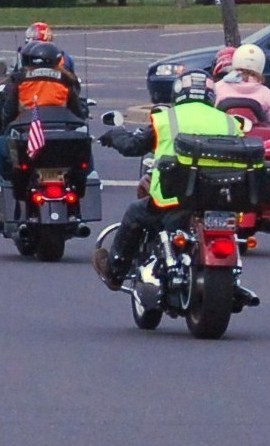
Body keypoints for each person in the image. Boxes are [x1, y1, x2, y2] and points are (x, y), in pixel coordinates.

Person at [93, 72, 253, 293]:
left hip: (175, 199)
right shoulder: (229, 122)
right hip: (222, 200)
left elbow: (133, 146)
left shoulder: (167, 119)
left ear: (178, 93)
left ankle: (115, 272)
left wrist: (114, 135)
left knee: (135, 214)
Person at [0, 42, 89, 224]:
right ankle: (81, 197)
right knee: (84, 151)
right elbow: (78, 113)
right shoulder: (67, 80)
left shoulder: (19, 80)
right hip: (62, 143)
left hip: (27, 144)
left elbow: (7, 113)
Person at [213, 43, 270, 129]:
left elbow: (211, 113)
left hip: (226, 136)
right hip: (256, 139)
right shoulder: (266, 93)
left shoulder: (218, 88)